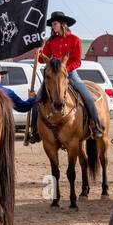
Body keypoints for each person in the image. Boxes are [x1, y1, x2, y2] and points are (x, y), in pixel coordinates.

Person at [29, 11, 104, 141]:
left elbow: (77, 61)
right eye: (52, 24)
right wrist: (38, 54)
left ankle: (95, 126)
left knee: (88, 97)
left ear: (63, 24)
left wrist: (65, 69)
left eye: (54, 24)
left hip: (70, 73)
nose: (52, 27)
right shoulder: (51, 41)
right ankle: (34, 131)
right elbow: (42, 60)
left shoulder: (75, 39)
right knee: (37, 99)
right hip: (53, 76)